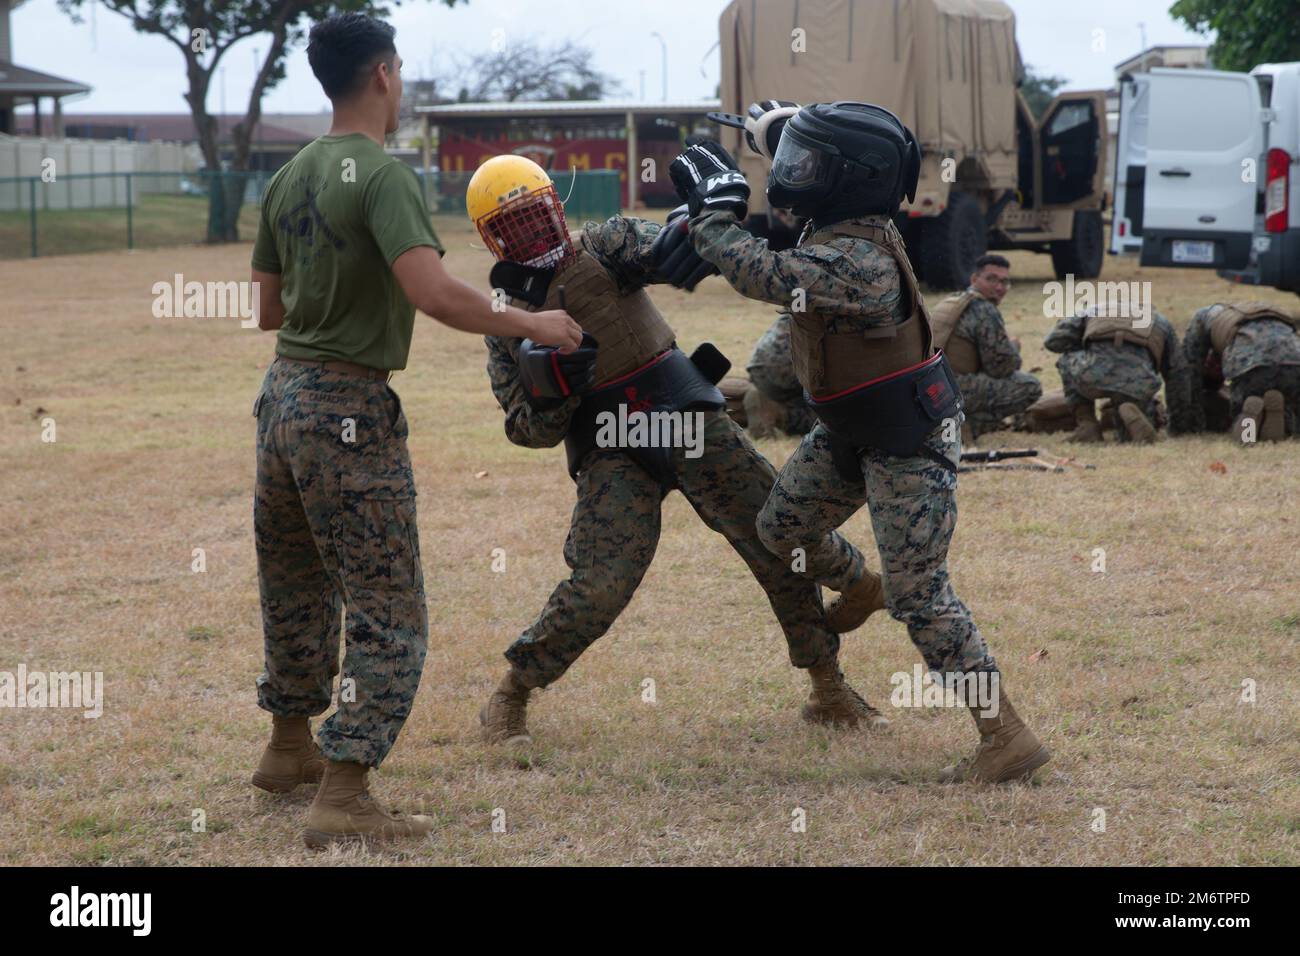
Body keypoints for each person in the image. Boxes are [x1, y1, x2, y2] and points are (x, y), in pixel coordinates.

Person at [247, 13, 580, 848]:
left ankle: (288, 749)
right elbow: (435, 294)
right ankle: (345, 791)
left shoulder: (289, 177)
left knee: (297, 583)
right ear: (385, 75)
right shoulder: (384, 177)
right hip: (347, 412)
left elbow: (268, 309)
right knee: (389, 609)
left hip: (281, 398)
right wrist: (534, 324)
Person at [672, 101, 1050, 783]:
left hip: (908, 438)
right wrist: (777, 134)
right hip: (854, 426)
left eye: (804, 162)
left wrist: (708, 216)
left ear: (852, 179)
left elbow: (764, 272)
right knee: (780, 525)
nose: (791, 172)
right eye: (793, 157)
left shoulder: (857, 261)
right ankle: (860, 584)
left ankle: (1007, 736)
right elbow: (812, 200)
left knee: (923, 598)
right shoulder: (846, 223)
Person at [468, 155, 892, 746]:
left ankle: (832, 676)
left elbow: (663, 251)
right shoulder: (505, 320)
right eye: (512, 226)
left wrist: (697, 223)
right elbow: (524, 430)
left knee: (774, 539)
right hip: (610, 446)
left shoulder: (605, 242)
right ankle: (513, 692)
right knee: (601, 582)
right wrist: (557, 391)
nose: (532, 233)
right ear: (492, 239)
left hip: (683, 412)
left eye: (537, 214)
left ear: (556, 207)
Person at [928, 255, 1042, 440]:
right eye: (991, 279)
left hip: (931, 386)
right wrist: (1014, 347)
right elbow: (1001, 368)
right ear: (974, 279)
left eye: (1004, 282)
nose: (999, 287)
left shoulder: (953, 300)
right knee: (1030, 386)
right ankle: (967, 427)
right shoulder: (983, 309)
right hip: (953, 389)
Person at [1043, 307, 1192, 442]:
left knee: (1065, 360)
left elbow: (1052, 342)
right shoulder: (1160, 321)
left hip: (1092, 374)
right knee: (1127, 431)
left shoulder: (1091, 311)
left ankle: (1087, 425)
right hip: (1139, 382)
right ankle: (1130, 415)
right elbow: (1178, 374)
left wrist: (1084, 342)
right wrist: (1179, 426)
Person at [1182, 301, 1300, 441]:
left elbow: (1189, 370)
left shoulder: (1203, 317)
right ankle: (1284, 427)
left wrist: (1190, 422)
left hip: (1249, 362)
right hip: (1294, 359)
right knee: (1290, 402)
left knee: (1247, 403)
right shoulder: (1268, 312)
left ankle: (1248, 430)